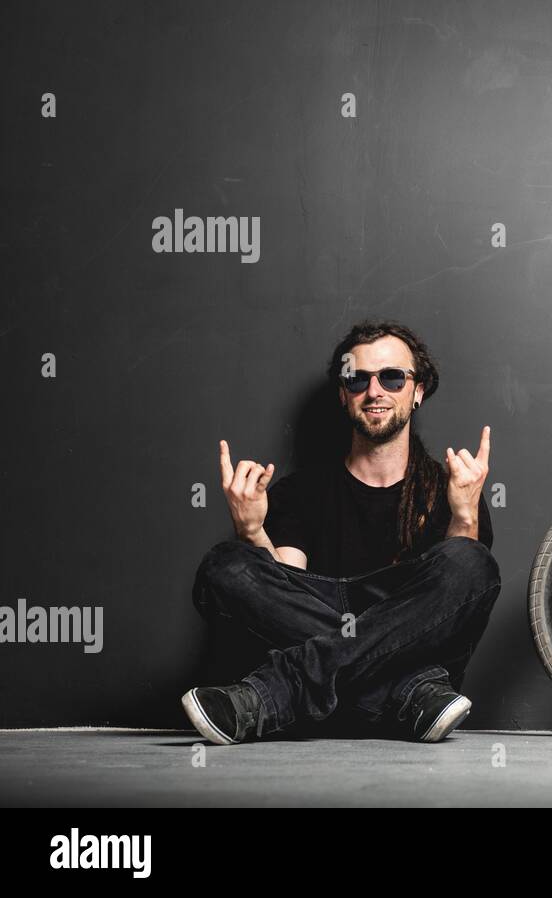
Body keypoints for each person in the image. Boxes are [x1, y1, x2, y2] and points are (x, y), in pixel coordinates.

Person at [182, 319, 501, 744]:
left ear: (417, 390)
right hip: (385, 665)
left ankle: (279, 691)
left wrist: (463, 515)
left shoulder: (450, 488)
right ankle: (404, 692)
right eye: (358, 379)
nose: (375, 392)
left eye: (391, 377)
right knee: (226, 566)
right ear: (342, 393)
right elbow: (284, 585)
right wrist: (252, 529)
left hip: (403, 617)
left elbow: (456, 603)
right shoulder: (300, 492)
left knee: (470, 560)